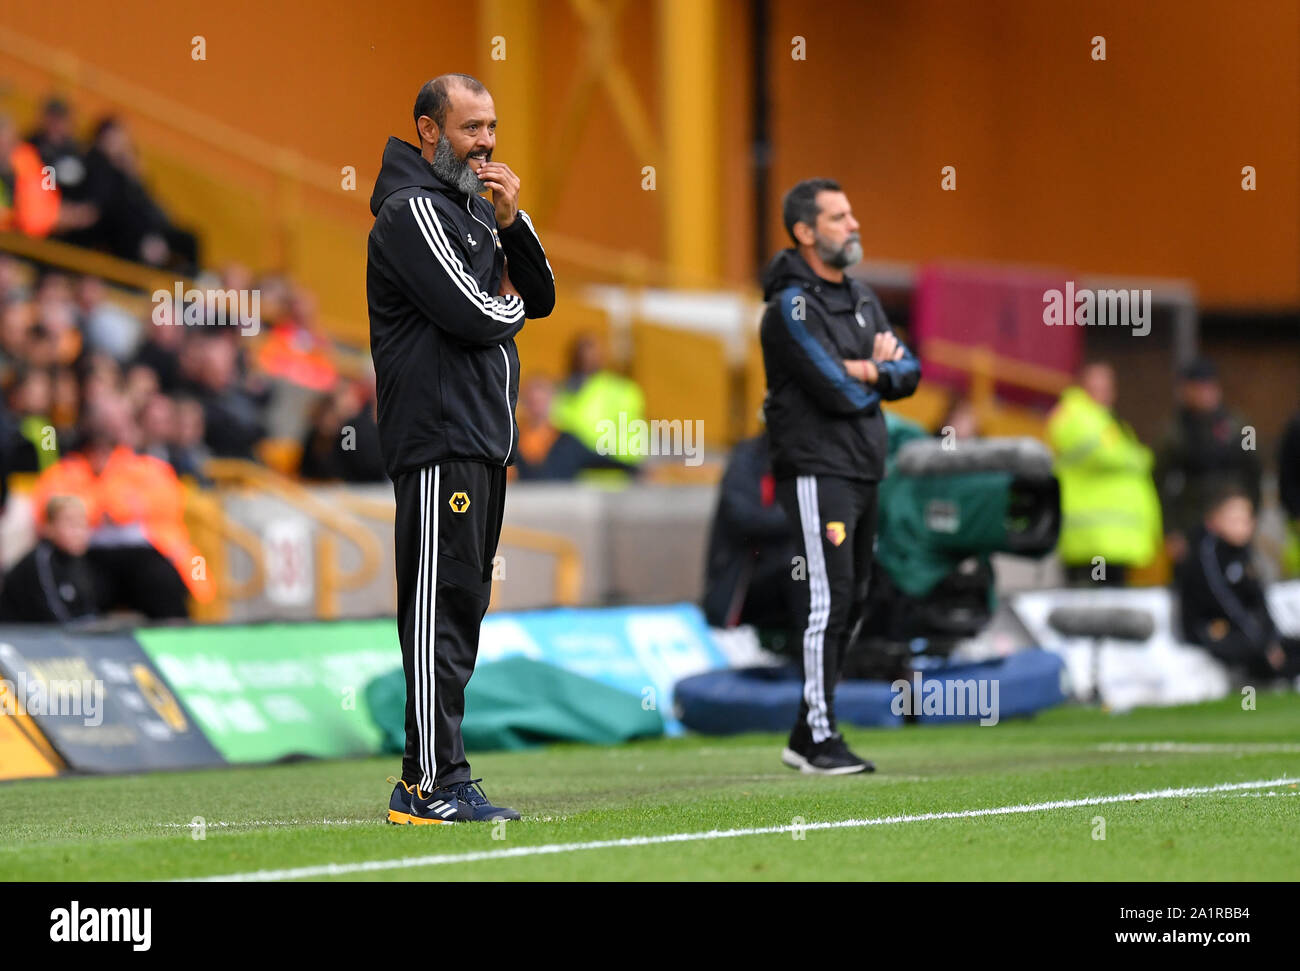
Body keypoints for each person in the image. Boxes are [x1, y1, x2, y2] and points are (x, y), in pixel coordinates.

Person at [367, 74, 554, 823]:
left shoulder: (474, 208)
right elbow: (477, 313)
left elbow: (541, 296)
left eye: (492, 127)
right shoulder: (410, 210)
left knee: (462, 612)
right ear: (428, 130)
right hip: (438, 440)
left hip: (479, 440)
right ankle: (431, 783)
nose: (487, 143)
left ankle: (436, 775)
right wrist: (508, 302)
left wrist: (511, 222)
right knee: (437, 614)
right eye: (472, 127)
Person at [759, 178, 921, 775]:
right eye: (838, 217)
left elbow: (910, 372)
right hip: (817, 468)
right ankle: (821, 740)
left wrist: (868, 370)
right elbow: (834, 389)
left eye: (851, 214)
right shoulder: (790, 307)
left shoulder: (861, 297)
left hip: (863, 466)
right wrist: (870, 371)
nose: (853, 225)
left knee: (852, 601)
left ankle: (807, 732)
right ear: (805, 232)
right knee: (828, 601)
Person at [30, 394, 208, 617]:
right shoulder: (64, 471)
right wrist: (101, 508)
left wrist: (117, 508)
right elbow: (51, 511)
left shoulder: (147, 467)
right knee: (76, 586)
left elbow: (168, 503)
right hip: (89, 555)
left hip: (146, 553)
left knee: (164, 583)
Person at [1047, 361, 1163, 586]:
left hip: (1111, 540)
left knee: (1110, 600)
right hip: (1092, 540)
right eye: (1095, 387)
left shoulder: (1105, 421)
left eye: (1107, 387)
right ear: (1081, 387)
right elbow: (1099, 454)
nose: (1103, 393)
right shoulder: (1074, 415)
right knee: (1092, 600)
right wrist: (1140, 458)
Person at [1177, 486, 1300, 683]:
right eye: (1234, 520)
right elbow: (1226, 603)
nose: (1242, 526)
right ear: (1214, 520)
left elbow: (1259, 600)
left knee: (1289, 648)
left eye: (1246, 520)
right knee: (1261, 653)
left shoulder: (1243, 552)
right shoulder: (1207, 554)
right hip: (1212, 629)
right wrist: (1263, 643)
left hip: (1246, 631)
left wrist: (1272, 638)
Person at [1156, 357, 1261, 563]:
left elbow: (1254, 470)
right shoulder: (1174, 432)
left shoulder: (1239, 426)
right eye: (1198, 388)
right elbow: (1159, 481)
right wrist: (1170, 530)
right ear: (1186, 391)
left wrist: (1250, 514)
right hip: (1192, 524)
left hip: (1233, 522)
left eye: (1208, 387)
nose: (1204, 394)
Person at [701, 429, 796, 631]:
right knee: (795, 564)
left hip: (791, 572)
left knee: (804, 568)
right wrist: (798, 515)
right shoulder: (749, 457)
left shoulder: (812, 460)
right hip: (747, 578)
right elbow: (745, 518)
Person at [0, 494, 99, 622]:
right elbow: (54, 617)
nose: (78, 532)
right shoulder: (41, 561)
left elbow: (88, 609)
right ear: (49, 528)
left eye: (82, 524)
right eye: (71, 524)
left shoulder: (78, 560)